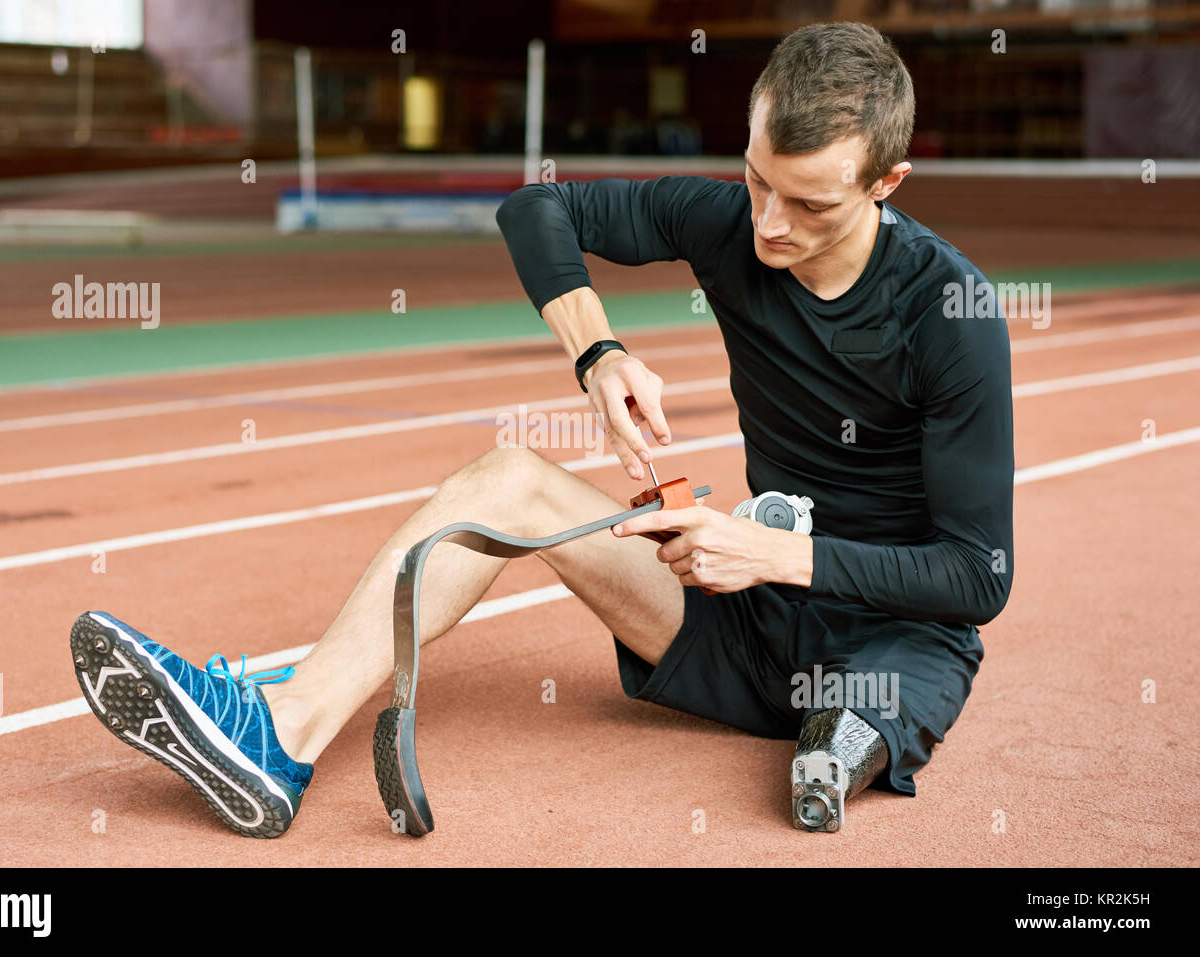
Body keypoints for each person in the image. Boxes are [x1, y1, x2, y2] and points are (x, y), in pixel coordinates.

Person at [69, 21, 1013, 838]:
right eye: (757, 179)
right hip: (743, 619)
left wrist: (765, 552)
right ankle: (280, 735)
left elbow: (977, 576)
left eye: (809, 204)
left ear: (888, 181)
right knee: (507, 477)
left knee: (856, 720)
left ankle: (839, 740)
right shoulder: (730, 223)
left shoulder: (952, 309)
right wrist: (597, 353)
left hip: (894, 639)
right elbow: (535, 205)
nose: (767, 223)